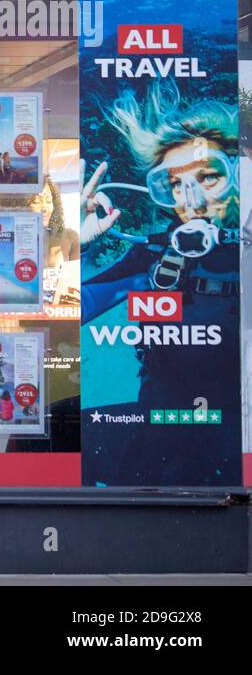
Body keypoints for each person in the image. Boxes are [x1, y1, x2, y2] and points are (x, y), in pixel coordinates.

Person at [80, 79, 240, 485]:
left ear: (238, 176)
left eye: (208, 177)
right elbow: (66, 313)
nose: (194, 200)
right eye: (174, 185)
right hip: (159, 430)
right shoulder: (154, 257)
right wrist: (67, 245)